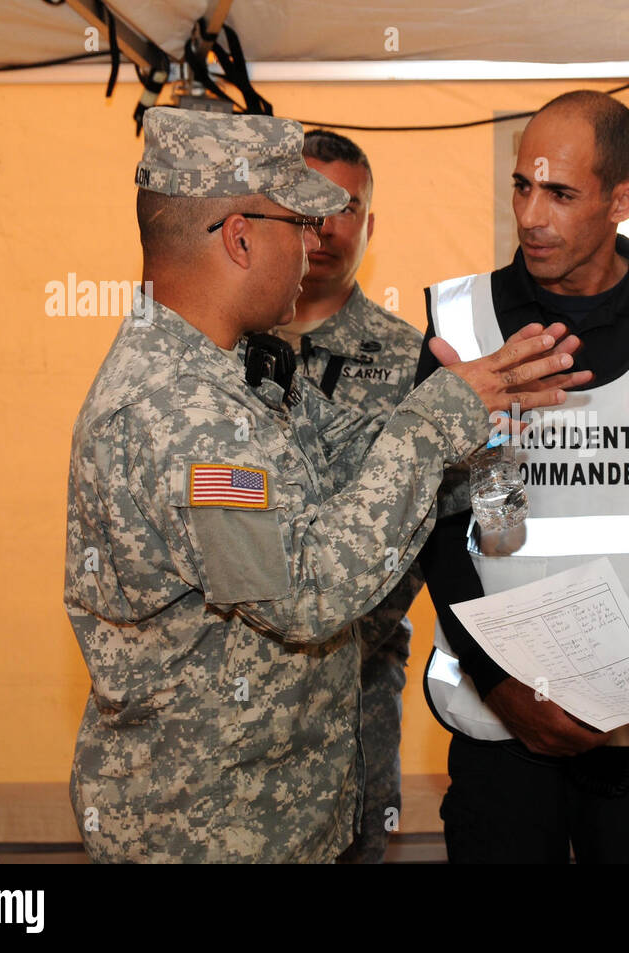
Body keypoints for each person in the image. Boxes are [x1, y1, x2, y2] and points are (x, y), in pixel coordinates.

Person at [65, 106, 589, 863]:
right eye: (298, 225)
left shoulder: (230, 377)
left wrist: (459, 409)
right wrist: (430, 424)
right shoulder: (180, 410)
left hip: (271, 818)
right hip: (206, 835)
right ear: (241, 238)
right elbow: (308, 591)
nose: (313, 247)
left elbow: (342, 478)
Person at [417, 90, 629, 863]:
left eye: (561, 193)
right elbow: (431, 523)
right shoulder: (460, 317)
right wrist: (504, 686)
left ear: (622, 200)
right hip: (499, 716)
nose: (531, 214)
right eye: (521, 185)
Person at [274, 130, 422, 864]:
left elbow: (448, 530)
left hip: (356, 705)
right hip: (233, 714)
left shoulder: (412, 361)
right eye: (309, 207)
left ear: (370, 224)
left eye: (347, 208)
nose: (327, 227)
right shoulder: (218, 347)